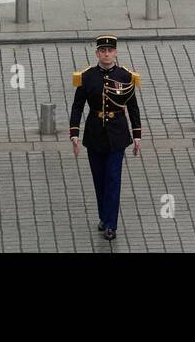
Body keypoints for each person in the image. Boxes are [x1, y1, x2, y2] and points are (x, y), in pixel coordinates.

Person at [69, 34, 142, 241]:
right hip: (94, 135)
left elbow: (133, 107)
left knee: (113, 180)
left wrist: (137, 135)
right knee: (99, 180)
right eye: (103, 51)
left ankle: (111, 224)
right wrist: (74, 132)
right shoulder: (87, 77)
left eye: (110, 51)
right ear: (97, 53)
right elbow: (77, 106)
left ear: (115, 53)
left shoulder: (126, 76)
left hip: (118, 136)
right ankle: (103, 216)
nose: (107, 54)